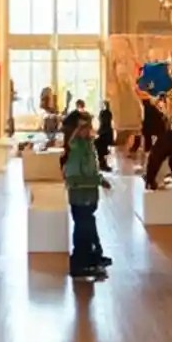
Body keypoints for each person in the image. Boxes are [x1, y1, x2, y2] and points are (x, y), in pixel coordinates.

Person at [63, 118, 112, 280]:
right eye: (83, 127)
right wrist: (97, 181)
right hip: (80, 197)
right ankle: (80, 263)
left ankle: (93, 257)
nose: (87, 130)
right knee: (83, 229)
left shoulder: (89, 147)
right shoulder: (77, 151)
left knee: (88, 226)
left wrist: (98, 179)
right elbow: (73, 178)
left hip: (89, 197)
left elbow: (91, 170)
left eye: (88, 127)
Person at [95, 101, 115, 172]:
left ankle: (102, 165)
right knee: (103, 151)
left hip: (104, 133)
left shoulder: (104, 114)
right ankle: (103, 165)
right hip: (106, 133)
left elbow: (103, 122)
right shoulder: (108, 113)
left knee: (102, 150)